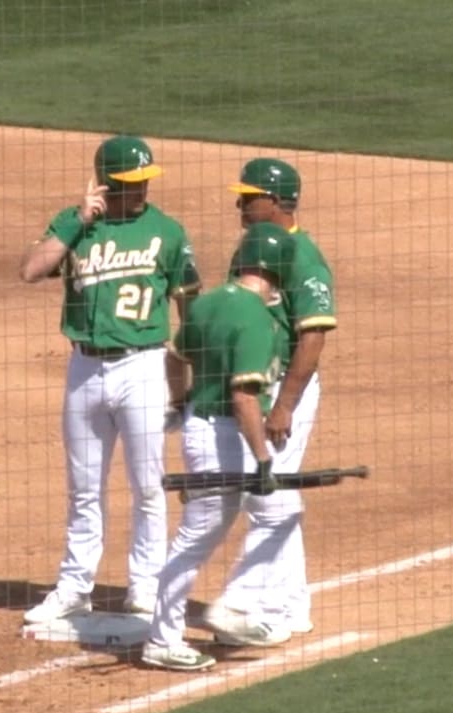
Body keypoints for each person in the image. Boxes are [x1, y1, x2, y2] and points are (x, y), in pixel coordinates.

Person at [18, 134, 201, 624]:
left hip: (143, 365)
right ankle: (75, 586)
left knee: (147, 485)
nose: (140, 192)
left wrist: (184, 378)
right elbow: (31, 269)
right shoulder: (76, 225)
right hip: (84, 368)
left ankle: (145, 586)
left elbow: (190, 307)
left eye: (144, 182)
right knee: (83, 488)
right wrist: (80, 220)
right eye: (128, 184)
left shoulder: (167, 231)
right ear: (104, 184)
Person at [139, 223, 294, 672]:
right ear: (278, 272)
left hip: (203, 428)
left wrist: (181, 400)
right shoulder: (257, 320)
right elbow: (244, 397)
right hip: (226, 437)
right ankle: (163, 639)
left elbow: (175, 356)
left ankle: (235, 610)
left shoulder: (207, 304)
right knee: (196, 538)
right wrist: (264, 459)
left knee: (279, 513)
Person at [206, 157, 337, 640]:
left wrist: (285, 405)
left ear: (279, 202)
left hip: (288, 390)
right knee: (274, 493)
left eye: (250, 197)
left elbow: (314, 336)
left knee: (269, 494)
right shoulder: (253, 247)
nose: (240, 205)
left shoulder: (302, 256)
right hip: (257, 387)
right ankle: (289, 605)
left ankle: (257, 606)